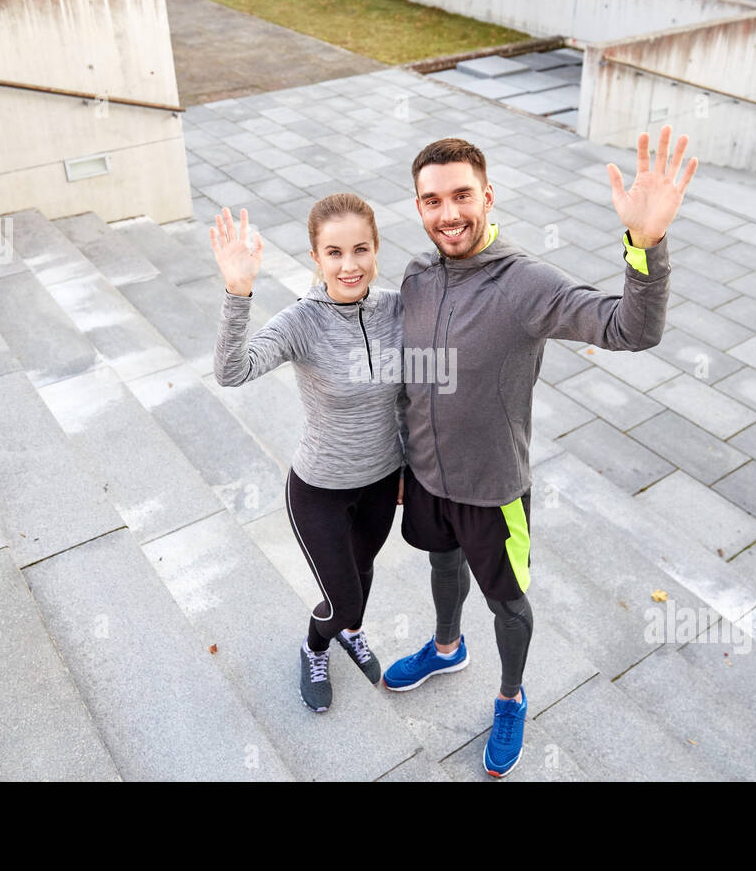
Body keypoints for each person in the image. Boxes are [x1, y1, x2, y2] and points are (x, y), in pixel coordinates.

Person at [384, 124, 697, 776]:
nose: (449, 214)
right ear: (418, 207)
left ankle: (510, 695)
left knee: (507, 602)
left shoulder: (526, 284)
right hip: (427, 479)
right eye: (433, 200)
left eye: (461, 196)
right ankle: (447, 647)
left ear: (488, 196)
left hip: (493, 489)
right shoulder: (416, 277)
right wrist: (403, 460)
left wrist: (646, 244)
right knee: (442, 567)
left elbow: (632, 329)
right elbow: (407, 378)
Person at [211, 196, 406, 713]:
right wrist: (238, 292)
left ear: (376, 249)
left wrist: (408, 464)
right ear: (316, 258)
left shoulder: (395, 308)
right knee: (341, 599)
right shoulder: (301, 322)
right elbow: (233, 373)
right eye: (334, 252)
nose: (350, 265)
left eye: (360, 249)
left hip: (384, 483)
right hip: (319, 490)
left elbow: (416, 392)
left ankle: (351, 631)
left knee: (362, 575)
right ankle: (317, 644)